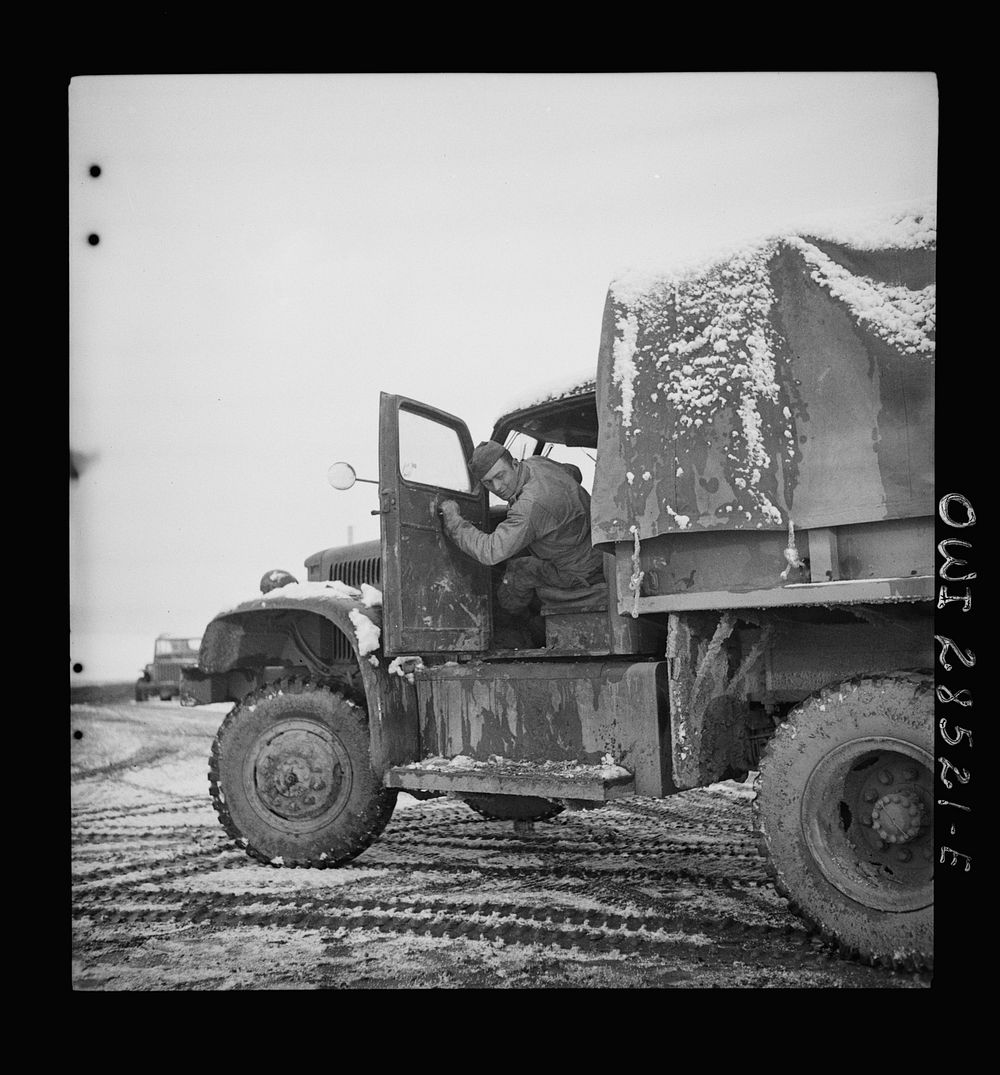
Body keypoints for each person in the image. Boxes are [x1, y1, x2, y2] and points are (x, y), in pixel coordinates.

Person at [439, 441, 605, 644]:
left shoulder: (529, 507)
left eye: (500, 476)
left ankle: (518, 624)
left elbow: (490, 552)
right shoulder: (538, 463)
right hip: (596, 548)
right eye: (488, 483)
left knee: (518, 572)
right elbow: (574, 472)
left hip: (580, 573)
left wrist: (454, 523)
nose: (498, 487)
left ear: (514, 464)